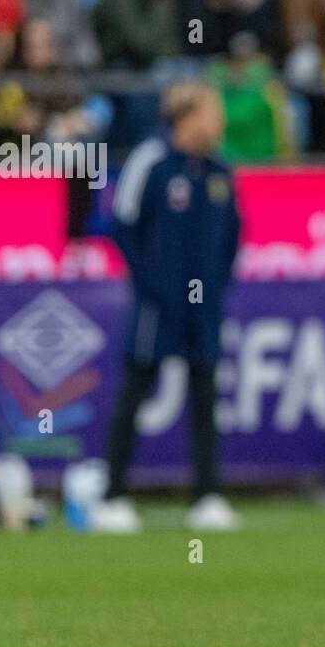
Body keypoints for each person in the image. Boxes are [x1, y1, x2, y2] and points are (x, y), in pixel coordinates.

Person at [92, 83, 242, 533]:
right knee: (135, 392)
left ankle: (207, 495)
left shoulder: (219, 172)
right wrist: (150, 285)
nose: (220, 123)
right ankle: (113, 496)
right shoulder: (150, 162)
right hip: (157, 304)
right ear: (187, 116)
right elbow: (123, 224)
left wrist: (216, 285)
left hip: (204, 306)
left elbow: (233, 233)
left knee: (204, 396)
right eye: (213, 113)